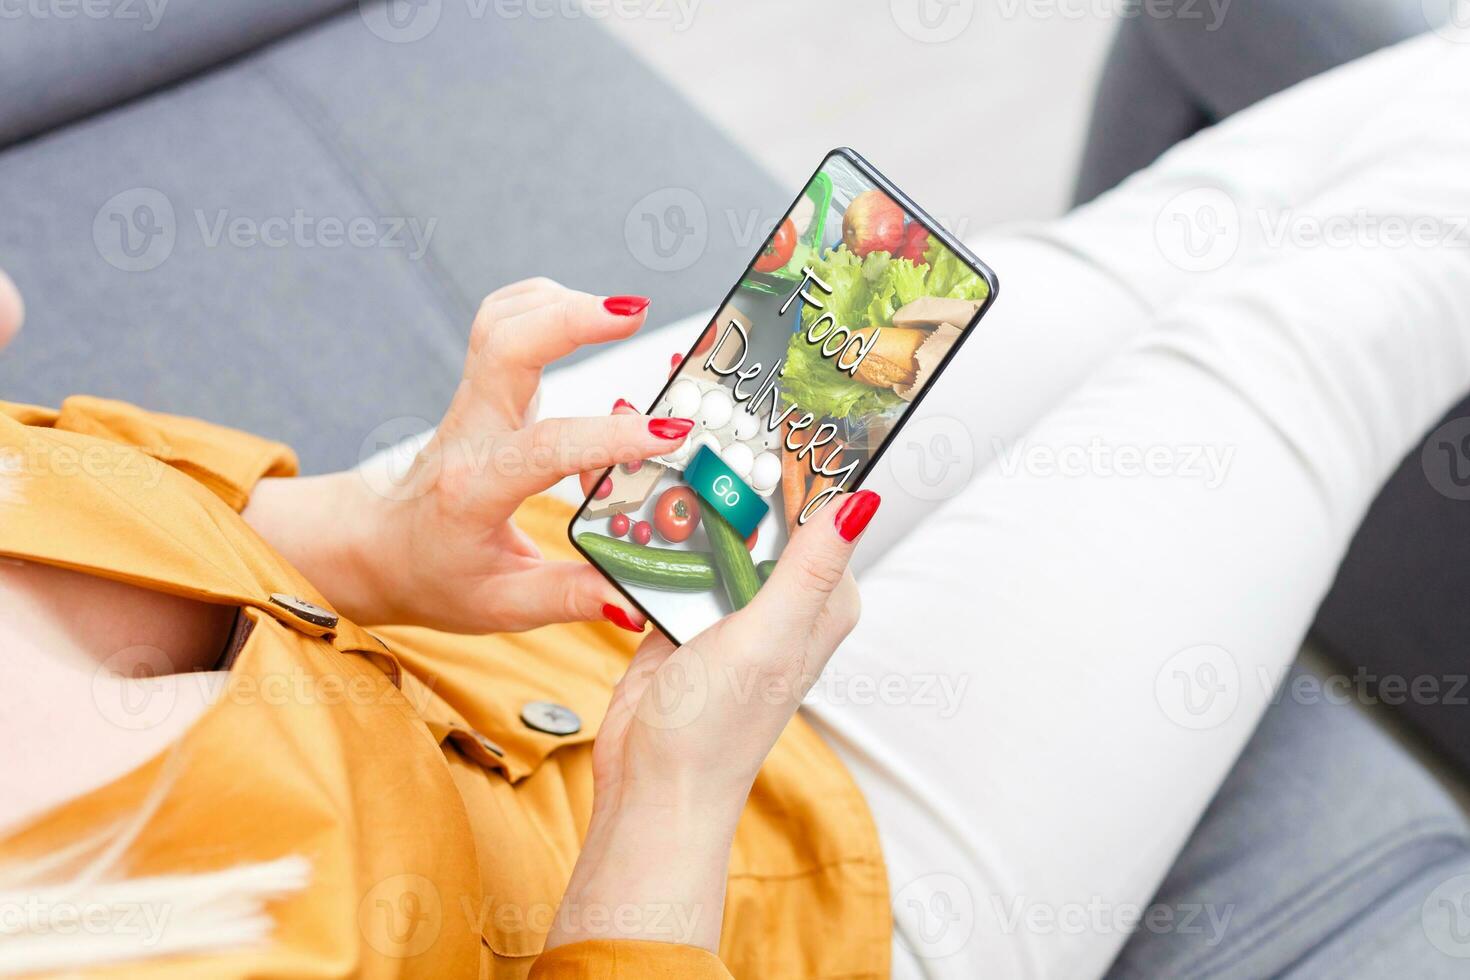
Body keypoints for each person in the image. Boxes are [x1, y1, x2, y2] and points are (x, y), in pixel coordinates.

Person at [4, 23, 1470, 980]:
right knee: (1318, 329)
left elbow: (135, 525)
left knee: (1106, 260)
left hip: (500, 605)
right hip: (765, 896)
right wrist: (676, 789)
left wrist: (379, 539)